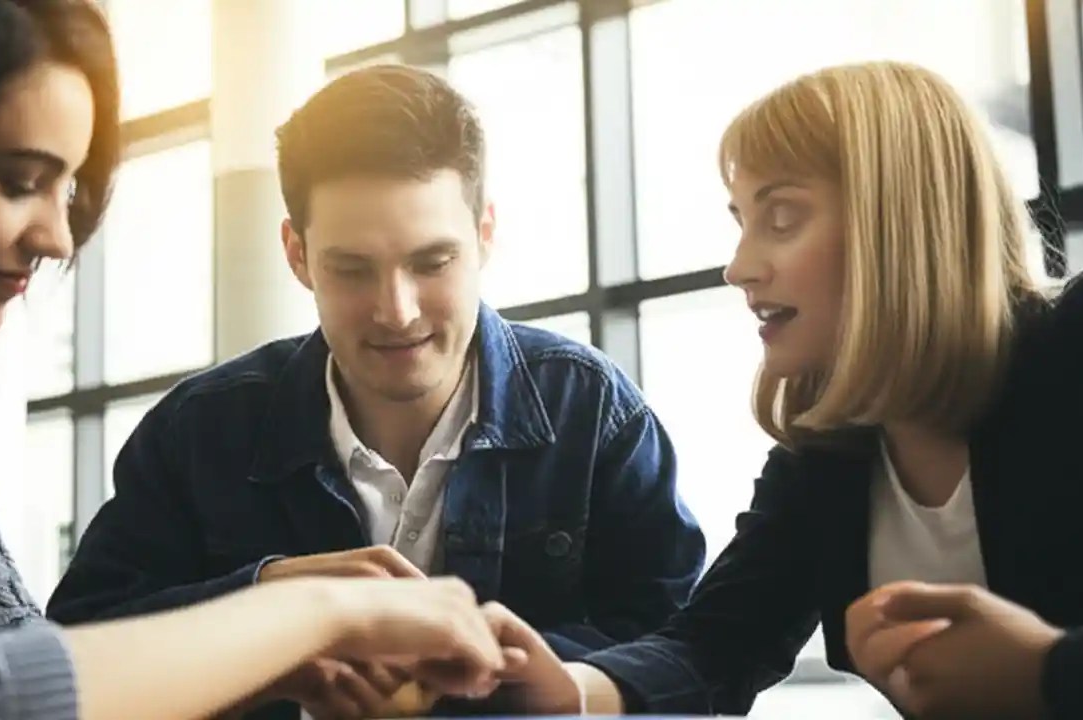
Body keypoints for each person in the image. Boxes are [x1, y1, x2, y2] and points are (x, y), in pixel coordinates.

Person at [0, 2, 521, 718]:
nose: (58, 238)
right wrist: (314, 613)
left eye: (67, 188)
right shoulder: (198, 426)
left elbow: (16, 637)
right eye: (19, 182)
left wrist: (267, 660)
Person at [45, 63, 705, 719]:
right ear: (297, 255)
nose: (397, 311)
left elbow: (687, 653)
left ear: (485, 235)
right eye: (352, 269)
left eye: (432, 262)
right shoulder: (199, 432)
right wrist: (269, 604)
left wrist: (512, 689)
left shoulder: (592, 412)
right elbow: (75, 648)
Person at [481, 61, 1083, 719]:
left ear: (896, 219)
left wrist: (1053, 671)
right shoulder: (828, 456)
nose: (738, 267)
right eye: (742, 221)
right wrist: (570, 689)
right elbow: (715, 646)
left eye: (782, 217)